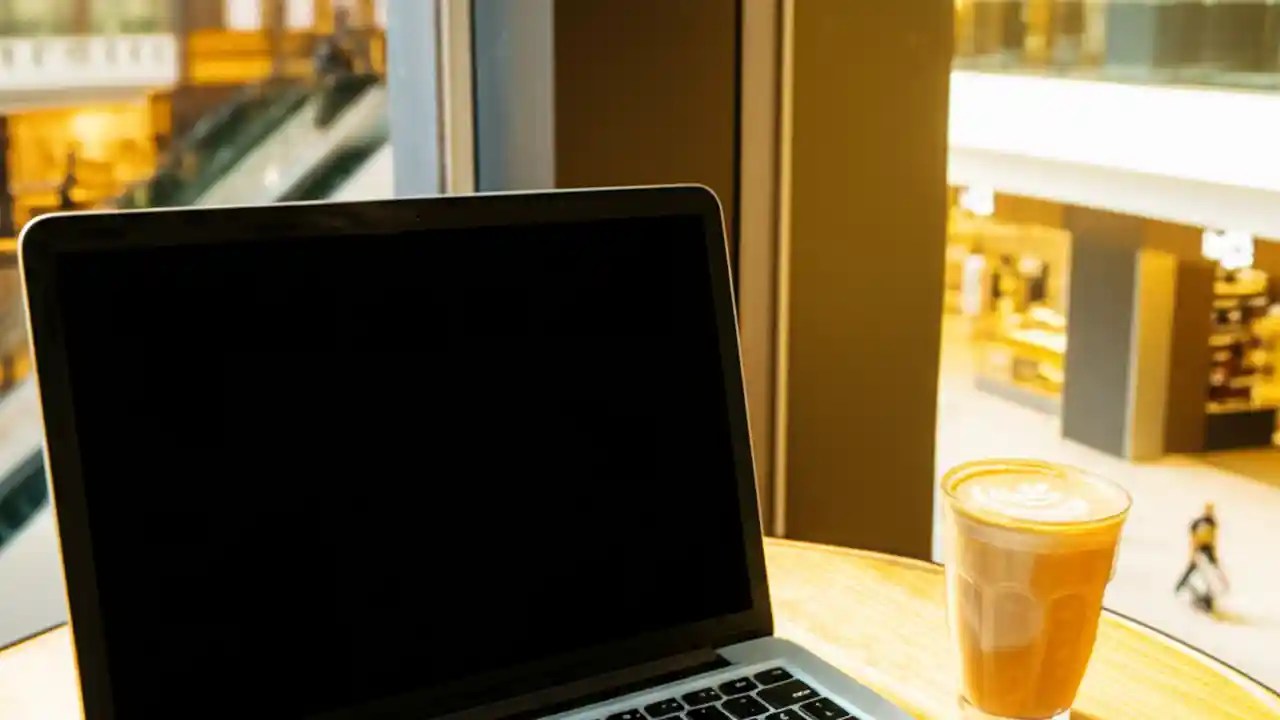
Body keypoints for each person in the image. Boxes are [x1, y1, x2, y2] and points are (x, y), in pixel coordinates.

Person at [1174, 502, 1228, 612]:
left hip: (1208, 550)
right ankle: (1180, 587)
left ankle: (1207, 598)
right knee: (1193, 569)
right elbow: (1194, 540)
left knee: (1208, 574)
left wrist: (1214, 555)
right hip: (1199, 550)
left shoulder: (1212, 522)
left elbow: (1213, 539)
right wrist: (1193, 553)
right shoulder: (1198, 523)